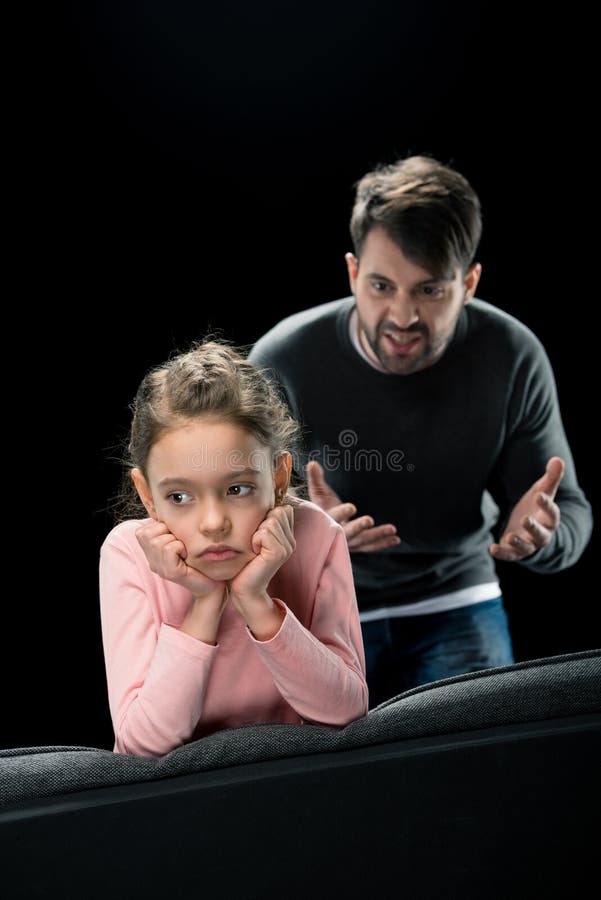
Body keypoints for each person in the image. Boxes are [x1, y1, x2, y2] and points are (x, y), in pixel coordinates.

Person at [248, 154, 593, 707]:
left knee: (483, 756)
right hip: (321, 603)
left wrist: (545, 538)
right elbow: (232, 522)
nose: (403, 316)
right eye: (382, 286)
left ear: (469, 283)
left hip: (456, 598)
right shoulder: (282, 359)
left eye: (429, 290)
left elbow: (570, 510)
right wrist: (312, 539)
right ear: (353, 273)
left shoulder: (512, 356)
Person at [99, 340, 368, 757]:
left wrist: (255, 602)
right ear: (147, 495)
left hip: (295, 778)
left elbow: (346, 712)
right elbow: (141, 746)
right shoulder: (128, 554)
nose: (213, 523)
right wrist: (205, 602)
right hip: (179, 792)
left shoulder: (317, 535)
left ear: (278, 479)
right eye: (179, 497)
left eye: (237, 489)